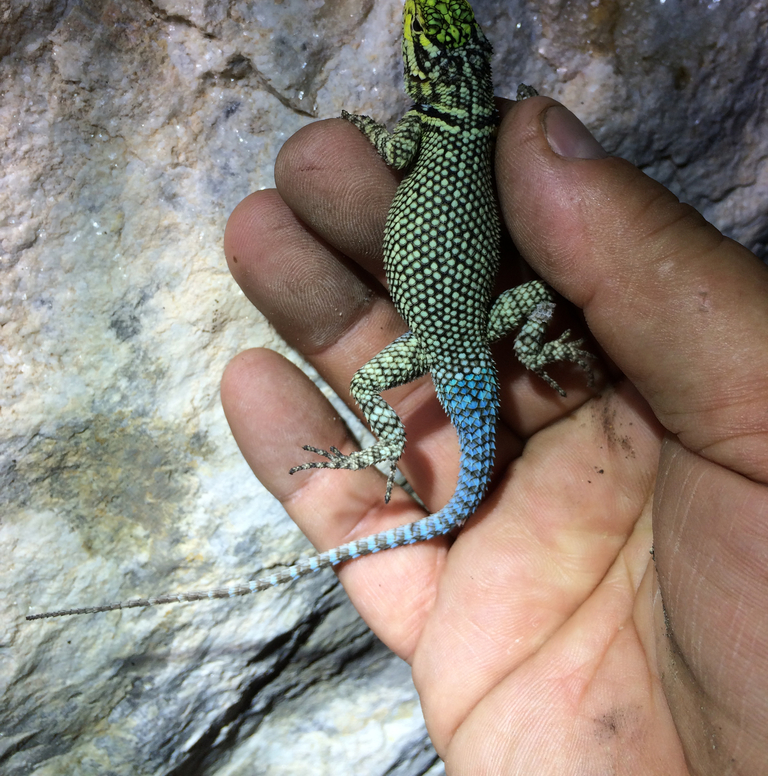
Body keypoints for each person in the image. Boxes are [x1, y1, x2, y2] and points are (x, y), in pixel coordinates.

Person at [221, 95, 768, 775]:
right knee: (524, 299)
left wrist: (365, 128)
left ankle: (389, 448)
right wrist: (531, 348)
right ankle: (483, 388)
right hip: (472, 336)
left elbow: (389, 155)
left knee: (368, 384)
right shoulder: (476, 132)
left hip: (445, 346)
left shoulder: (422, 131)